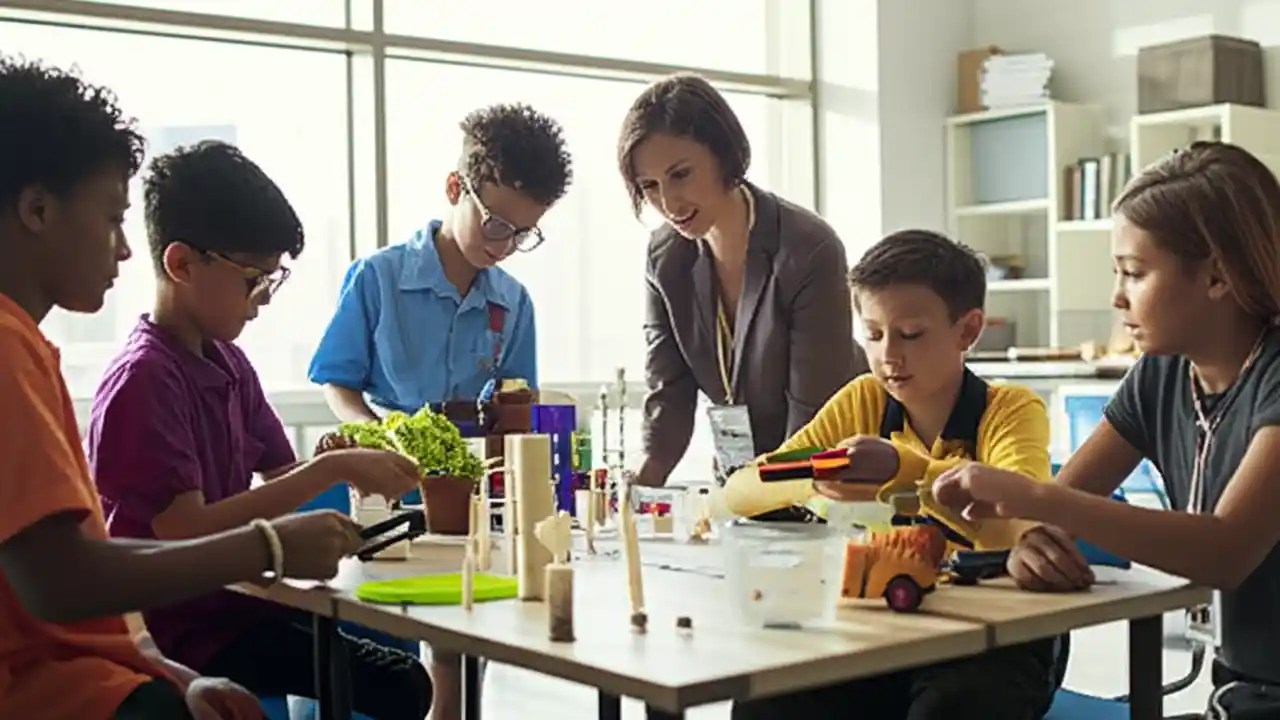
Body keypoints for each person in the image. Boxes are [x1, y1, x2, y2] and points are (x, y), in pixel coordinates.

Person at [0, 55, 369, 720]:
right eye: (112, 218)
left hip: (114, 662)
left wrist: (168, 674)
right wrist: (272, 543)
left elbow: (79, 596)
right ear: (37, 209)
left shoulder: (28, 346)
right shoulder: (18, 351)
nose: (120, 249)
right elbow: (59, 581)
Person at [85, 140, 433, 719]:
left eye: (273, 280)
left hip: (244, 602)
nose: (261, 301)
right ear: (181, 264)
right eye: (253, 280)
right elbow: (181, 531)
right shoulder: (146, 379)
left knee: (395, 652)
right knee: (398, 684)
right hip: (189, 629)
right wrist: (330, 469)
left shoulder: (226, 362)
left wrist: (337, 461)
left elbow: (279, 472)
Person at [932, 141, 1280, 711]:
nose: (1116, 297)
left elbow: (1227, 550)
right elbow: (1055, 515)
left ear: (1218, 276)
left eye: (1135, 273)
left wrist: (1036, 499)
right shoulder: (1162, 375)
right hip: (1239, 693)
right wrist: (1029, 540)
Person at [727, 230, 1061, 720]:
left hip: (996, 645)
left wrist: (905, 471)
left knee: (949, 709)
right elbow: (741, 490)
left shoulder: (1009, 410)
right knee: (769, 702)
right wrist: (818, 476)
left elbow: (1015, 516)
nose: (888, 356)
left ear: (968, 331)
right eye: (874, 334)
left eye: (911, 335)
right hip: (886, 629)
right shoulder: (863, 399)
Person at [617, 72, 868, 488]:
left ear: (723, 155)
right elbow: (669, 390)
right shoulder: (666, 256)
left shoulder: (808, 247)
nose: (669, 202)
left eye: (681, 174)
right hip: (745, 480)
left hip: (832, 474)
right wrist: (640, 489)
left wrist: (762, 494)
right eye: (649, 186)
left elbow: (814, 414)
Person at [309, 102, 573, 421]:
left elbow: (516, 401)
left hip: (470, 464)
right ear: (455, 188)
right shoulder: (378, 277)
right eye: (495, 225)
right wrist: (380, 439)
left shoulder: (514, 303)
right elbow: (337, 383)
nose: (504, 245)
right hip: (378, 460)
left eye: (521, 234)